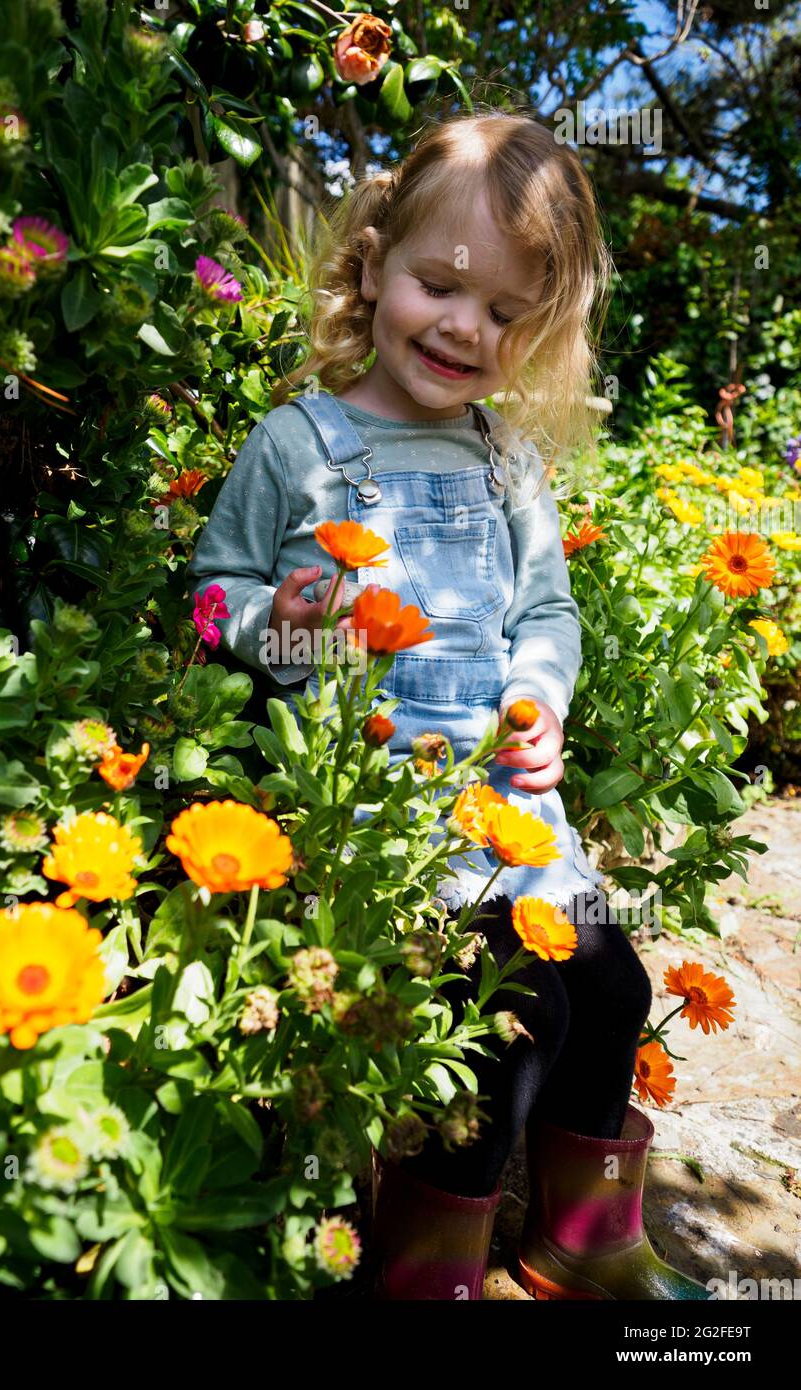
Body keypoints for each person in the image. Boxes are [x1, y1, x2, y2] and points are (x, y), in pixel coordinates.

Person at [186, 110, 710, 1302]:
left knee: (615, 982)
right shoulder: (298, 444)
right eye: (441, 284)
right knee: (507, 1012)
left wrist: (539, 695)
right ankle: (432, 1267)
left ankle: (584, 1238)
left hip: (509, 810)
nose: (467, 326)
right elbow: (211, 603)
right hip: (367, 813)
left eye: (509, 312)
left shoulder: (505, 465)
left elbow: (548, 615)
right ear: (372, 263)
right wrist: (282, 621)